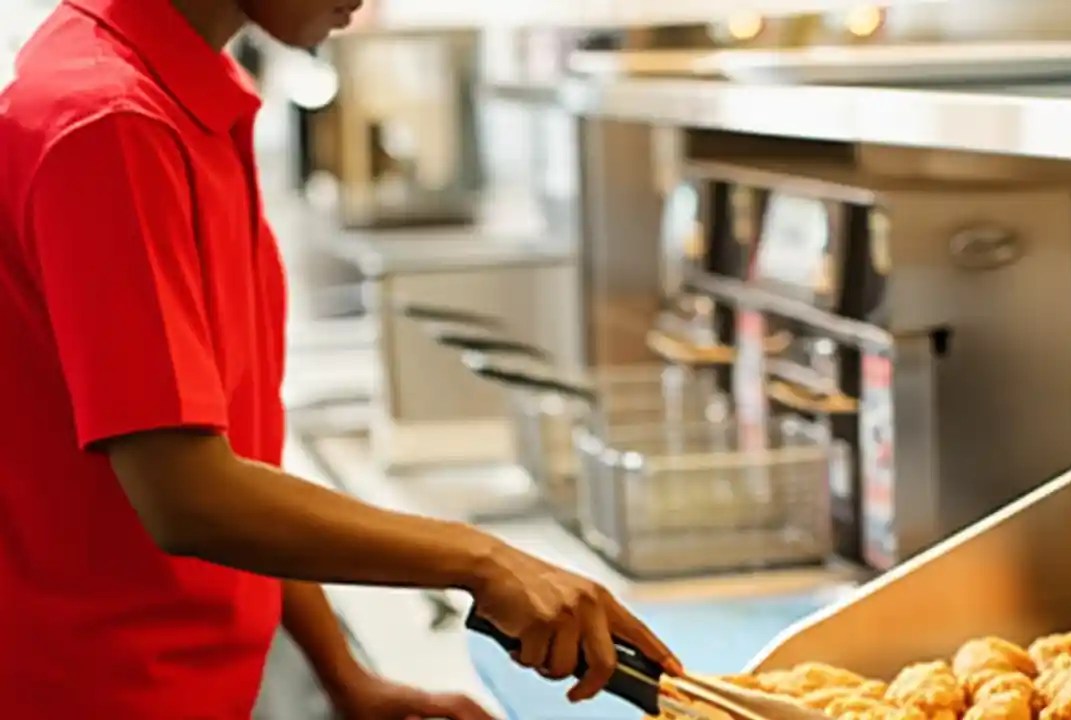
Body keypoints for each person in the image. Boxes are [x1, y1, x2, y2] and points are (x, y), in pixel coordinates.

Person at [0, 1, 681, 718]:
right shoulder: (110, 123)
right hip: (98, 692)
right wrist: (482, 560)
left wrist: (347, 678)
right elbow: (186, 496)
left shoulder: (181, 94)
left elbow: (235, 456)